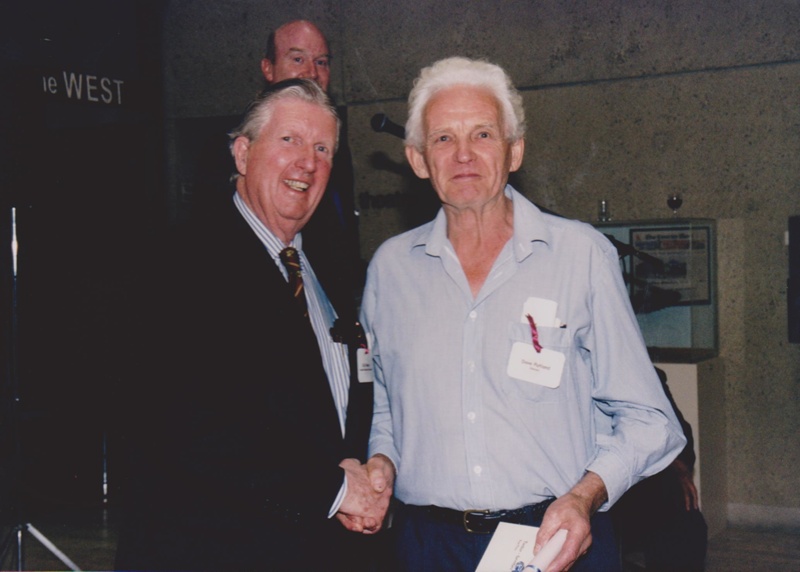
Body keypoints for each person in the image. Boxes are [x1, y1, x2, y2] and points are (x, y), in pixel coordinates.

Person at [360, 57, 687, 572]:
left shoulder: (580, 256)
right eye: (443, 138)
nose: (463, 154)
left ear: (515, 152)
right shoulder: (389, 271)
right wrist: (382, 459)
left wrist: (585, 496)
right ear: (418, 159)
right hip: (426, 548)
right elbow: (387, 410)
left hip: (554, 541)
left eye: (483, 134)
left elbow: (651, 421)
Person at [113, 79, 388, 571]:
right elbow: (191, 429)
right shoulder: (178, 265)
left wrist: (367, 469)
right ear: (242, 154)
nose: (308, 161)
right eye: (290, 140)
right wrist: (335, 489)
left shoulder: (329, 269)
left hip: (315, 550)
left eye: (323, 148)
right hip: (211, 551)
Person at [260, 19, 364, 302]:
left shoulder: (337, 144)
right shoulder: (238, 142)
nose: (312, 72)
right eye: (297, 59)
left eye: (321, 62)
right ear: (268, 68)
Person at [611, 368, 708, 571]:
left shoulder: (645, 373)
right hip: (586, 480)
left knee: (683, 514)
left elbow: (679, 432)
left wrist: (675, 464)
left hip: (634, 472)